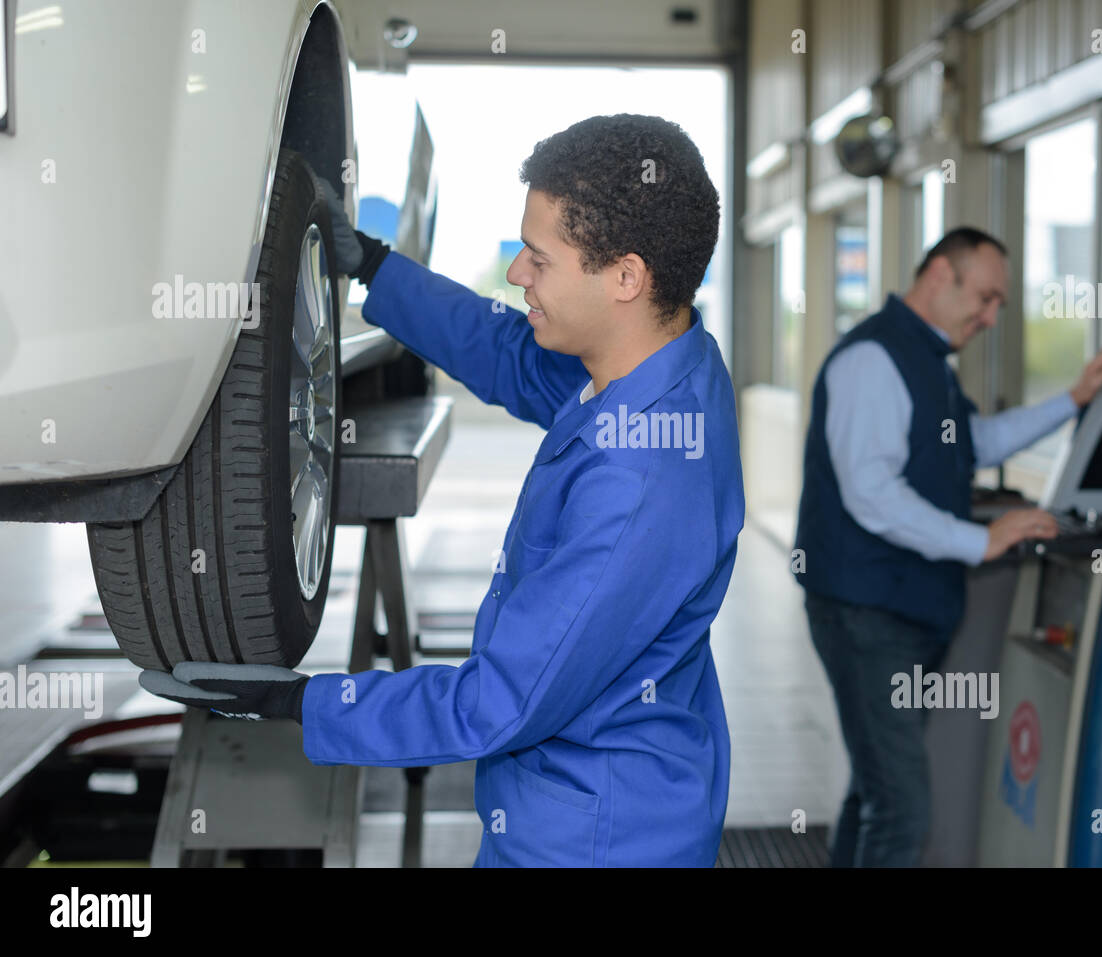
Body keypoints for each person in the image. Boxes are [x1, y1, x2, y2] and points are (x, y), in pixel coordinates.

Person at [141, 114, 744, 867]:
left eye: (538, 258)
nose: (518, 274)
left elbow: (499, 701)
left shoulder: (641, 490)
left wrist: (299, 701)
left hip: (590, 839)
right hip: (610, 789)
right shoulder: (673, 360)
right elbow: (505, 353)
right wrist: (375, 265)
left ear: (625, 276)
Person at [792, 227, 1102, 867]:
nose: (991, 317)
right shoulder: (873, 360)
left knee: (877, 790)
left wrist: (1074, 399)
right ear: (941, 274)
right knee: (903, 808)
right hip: (867, 613)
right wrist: (982, 539)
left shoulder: (924, 360)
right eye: (986, 297)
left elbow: (976, 439)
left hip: (900, 612)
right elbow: (871, 493)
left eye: (1000, 304)